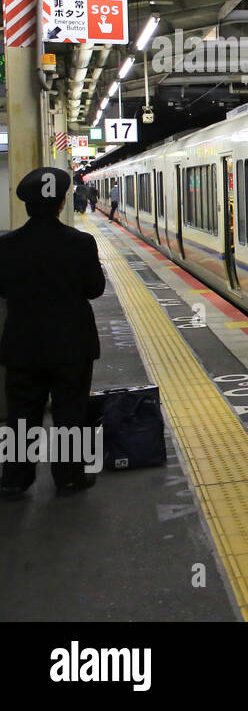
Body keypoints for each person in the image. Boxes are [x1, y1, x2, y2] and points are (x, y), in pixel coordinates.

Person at [0, 167, 106, 498]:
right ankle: (69, 477)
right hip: (72, 344)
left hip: (22, 344)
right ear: (62, 203)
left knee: (21, 413)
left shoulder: (6, 245)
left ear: (28, 206)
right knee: (69, 411)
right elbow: (94, 289)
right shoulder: (81, 242)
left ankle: (15, 479)